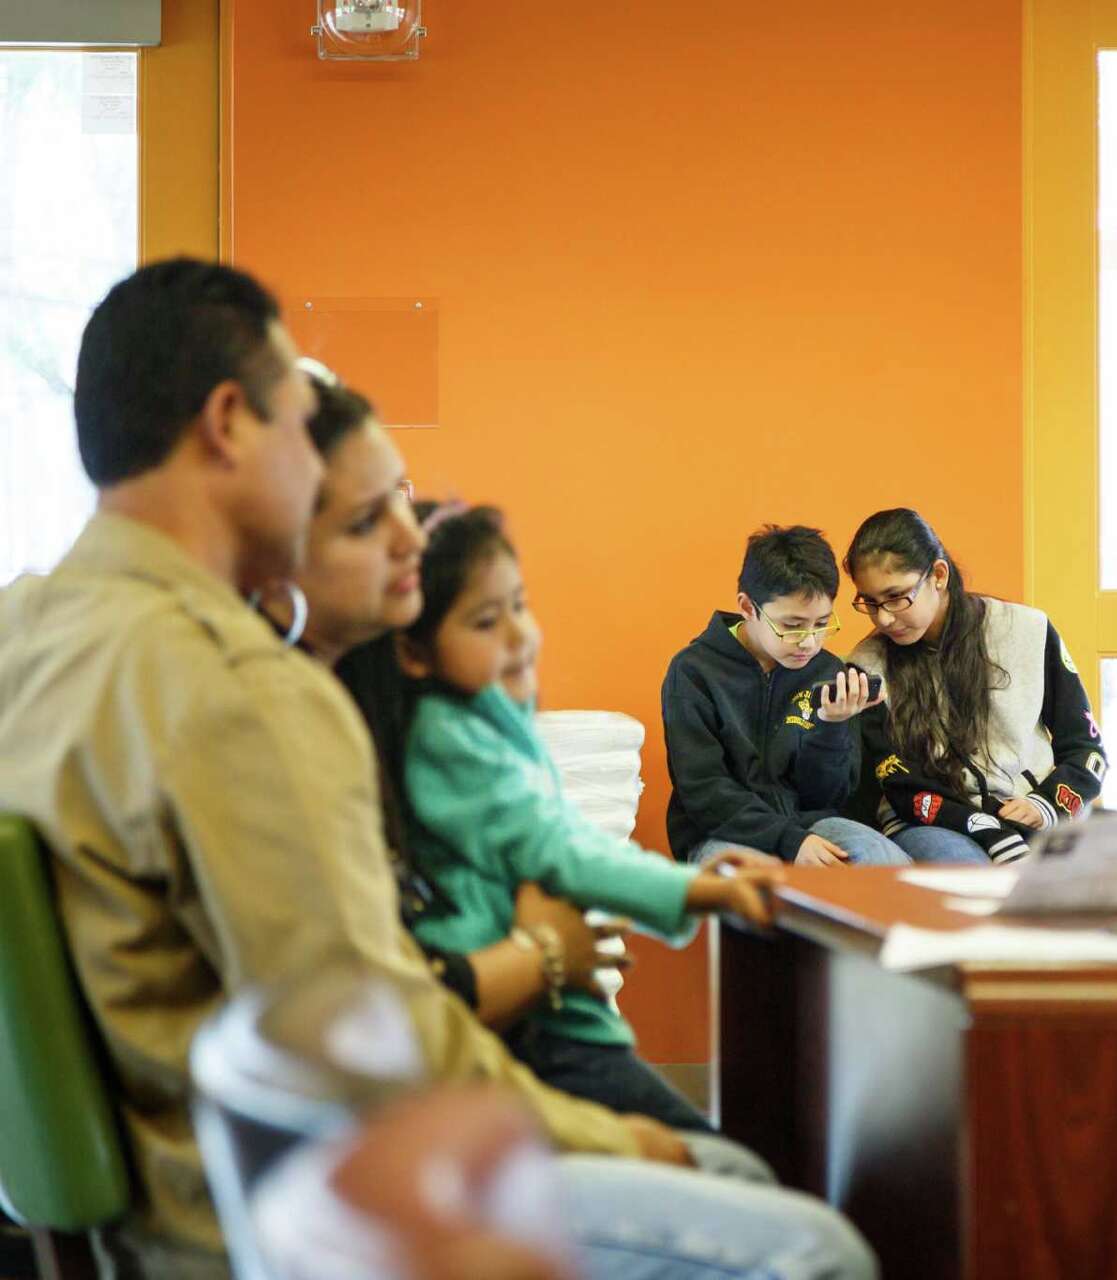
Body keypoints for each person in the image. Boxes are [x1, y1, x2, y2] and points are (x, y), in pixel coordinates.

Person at [0, 259, 874, 1278]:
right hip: (280, 1209)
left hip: (147, 1193)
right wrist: (623, 1130)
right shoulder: (241, 693)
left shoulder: (26, 629)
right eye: (301, 425)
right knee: (810, 1243)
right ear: (231, 423)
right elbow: (374, 1049)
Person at [285, 368, 714, 1136]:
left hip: (489, 1073)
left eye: (404, 500)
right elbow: (372, 1014)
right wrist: (548, 952)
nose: (412, 537)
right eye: (366, 518)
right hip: (432, 1116)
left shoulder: (425, 713)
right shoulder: (314, 728)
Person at [364, 502, 782, 1133]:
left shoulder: (484, 716)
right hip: (534, 1026)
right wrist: (700, 889)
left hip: (544, 1009)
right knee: (715, 1157)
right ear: (414, 654)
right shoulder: (447, 736)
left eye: (519, 605)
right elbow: (559, 847)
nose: (520, 634)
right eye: (485, 620)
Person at [844, 508, 1108, 863]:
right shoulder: (866, 668)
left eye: (896, 597)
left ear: (938, 574)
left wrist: (1046, 805)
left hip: (1035, 807)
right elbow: (900, 786)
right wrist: (984, 827)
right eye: (871, 602)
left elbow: (1086, 750)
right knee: (973, 874)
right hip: (935, 824)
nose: (884, 618)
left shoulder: (1027, 630)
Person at [661, 525, 907, 867]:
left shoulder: (829, 672)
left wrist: (831, 727)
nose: (808, 641)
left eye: (821, 623)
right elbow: (704, 791)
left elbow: (828, 798)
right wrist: (789, 841)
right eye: (792, 626)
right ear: (748, 607)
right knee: (748, 881)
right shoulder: (694, 672)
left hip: (811, 825)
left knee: (883, 861)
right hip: (725, 833)